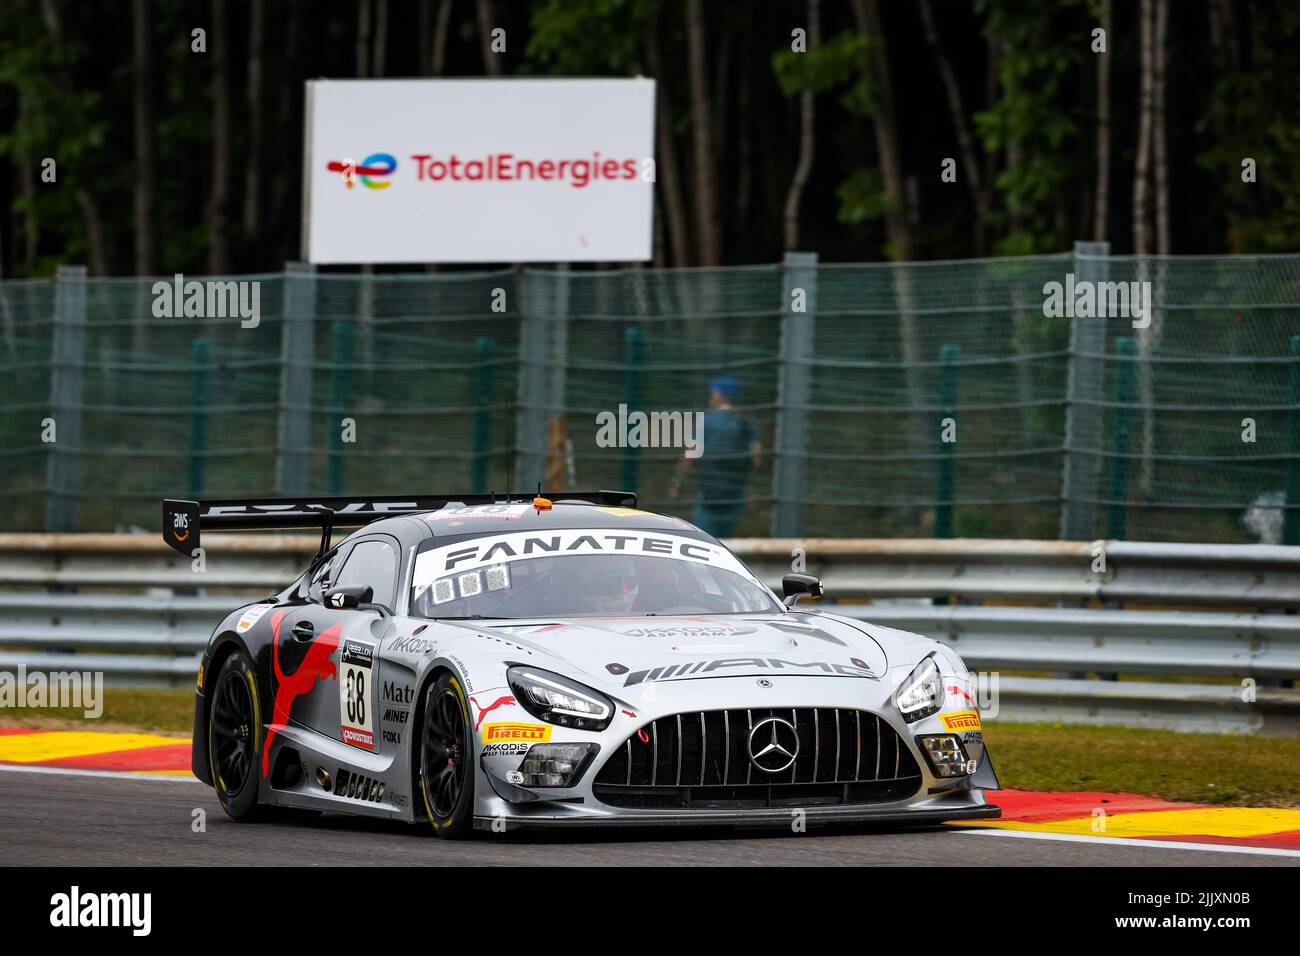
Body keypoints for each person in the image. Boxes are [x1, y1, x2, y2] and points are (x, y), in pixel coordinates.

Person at [670, 375, 761, 537]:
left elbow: (690, 456)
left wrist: (677, 482)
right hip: (734, 494)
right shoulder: (747, 422)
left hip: (709, 494)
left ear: (719, 395)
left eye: (713, 394)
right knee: (725, 542)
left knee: (704, 540)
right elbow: (757, 460)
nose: (711, 397)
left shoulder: (706, 421)